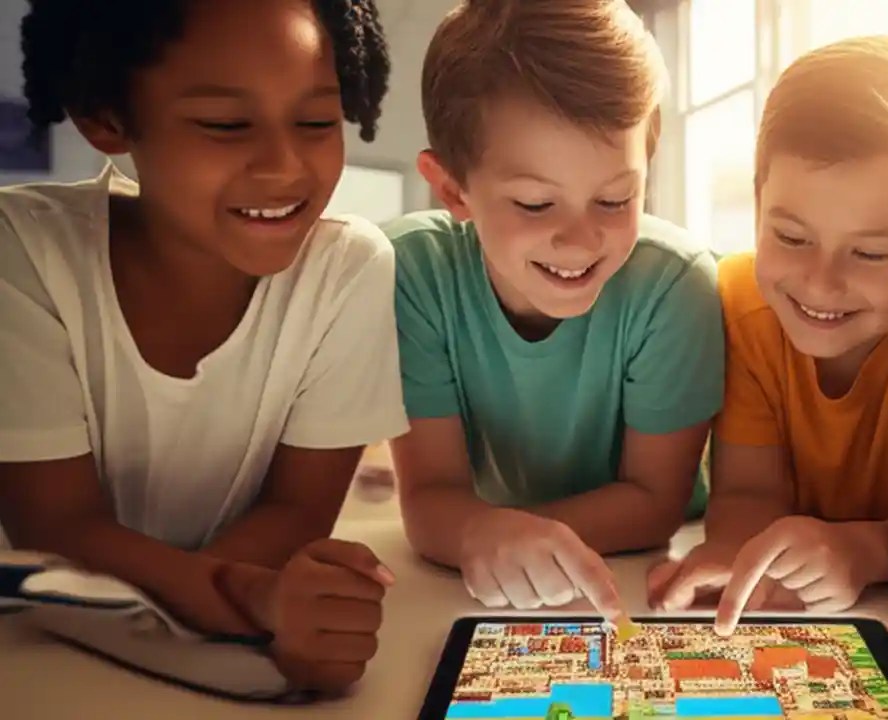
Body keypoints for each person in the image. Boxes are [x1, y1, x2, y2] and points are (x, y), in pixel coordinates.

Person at [0, 0, 407, 693]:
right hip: (36, 659)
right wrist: (249, 602)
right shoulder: (25, 255)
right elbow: (57, 528)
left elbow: (296, 511)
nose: (284, 167)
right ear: (107, 118)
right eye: (225, 125)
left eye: (316, 122)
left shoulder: (348, 269)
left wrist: (252, 612)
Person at [388, 0, 724, 620]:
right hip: (492, 574)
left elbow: (654, 503)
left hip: (638, 571)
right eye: (537, 204)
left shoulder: (674, 285)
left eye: (615, 198)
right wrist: (475, 535)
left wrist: (488, 533)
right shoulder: (412, 273)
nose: (580, 240)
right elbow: (431, 499)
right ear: (453, 191)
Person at [647, 36, 888, 636]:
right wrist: (738, 554)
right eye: (791, 238)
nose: (821, 283)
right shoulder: (738, 302)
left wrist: (864, 553)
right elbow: (746, 491)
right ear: (758, 204)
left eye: (869, 253)